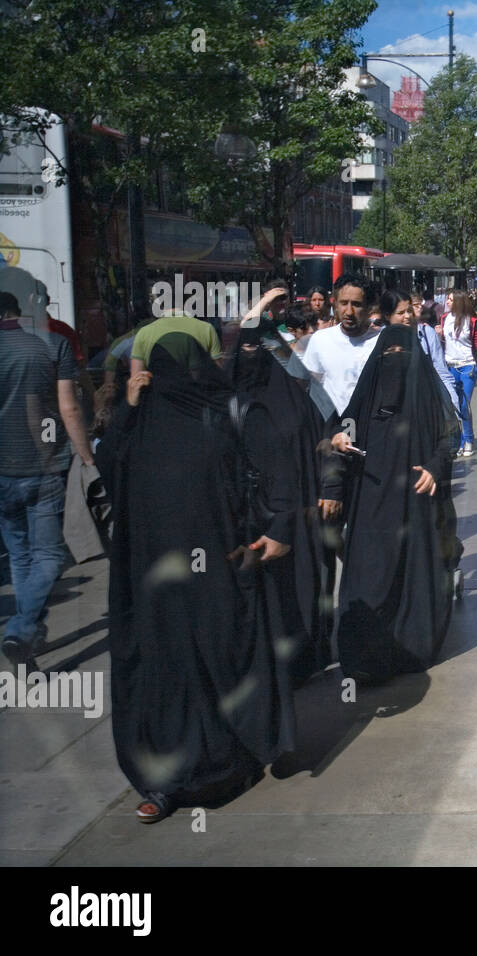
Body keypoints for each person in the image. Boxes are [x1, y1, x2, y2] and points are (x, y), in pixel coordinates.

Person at [99, 333, 296, 823]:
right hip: (186, 579)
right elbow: (108, 470)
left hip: (193, 574)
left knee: (198, 665)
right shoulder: (160, 418)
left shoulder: (207, 415)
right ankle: (172, 780)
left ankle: (220, 764)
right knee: (189, 665)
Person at [329, 324, 462, 683]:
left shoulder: (429, 399)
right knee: (369, 573)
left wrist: (435, 468)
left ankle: (412, 645)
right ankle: (364, 655)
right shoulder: (367, 397)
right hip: (371, 501)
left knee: (414, 569)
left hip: (417, 501)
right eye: (387, 356)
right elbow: (342, 429)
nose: (395, 363)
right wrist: (340, 440)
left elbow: (449, 438)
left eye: (402, 356)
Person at [229, 318, 333, 687]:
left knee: (300, 586)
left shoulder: (300, 395)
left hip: (296, 512)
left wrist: (326, 490)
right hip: (247, 516)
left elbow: (325, 436)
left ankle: (304, 656)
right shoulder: (228, 398)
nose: (251, 356)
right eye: (244, 348)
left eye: (259, 347)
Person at [0, 292, 96, 667]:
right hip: (44, 465)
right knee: (50, 555)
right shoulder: (52, 344)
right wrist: (86, 456)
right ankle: (22, 629)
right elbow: (68, 407)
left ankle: (29, 636)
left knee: (20, 556)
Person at [299, 274, 382, 418]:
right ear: (335, 304)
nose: (349, 312)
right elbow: (308, 386)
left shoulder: (381, 341)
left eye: (356, 304)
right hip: (332, 429)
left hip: (370, 427)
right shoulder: (320, 340)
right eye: (344, 303)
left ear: (368, 307)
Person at [440, 291, 477, 457]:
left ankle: (468, 439)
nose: (448, 301)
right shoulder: (444, 318)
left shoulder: (472, 321)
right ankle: (458, 441)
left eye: (451, 299)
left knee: (463, 405)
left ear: (459, 302)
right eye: (448, 298)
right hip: (449, 366)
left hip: (467, 366)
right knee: (452, 405)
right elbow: (443, 342)